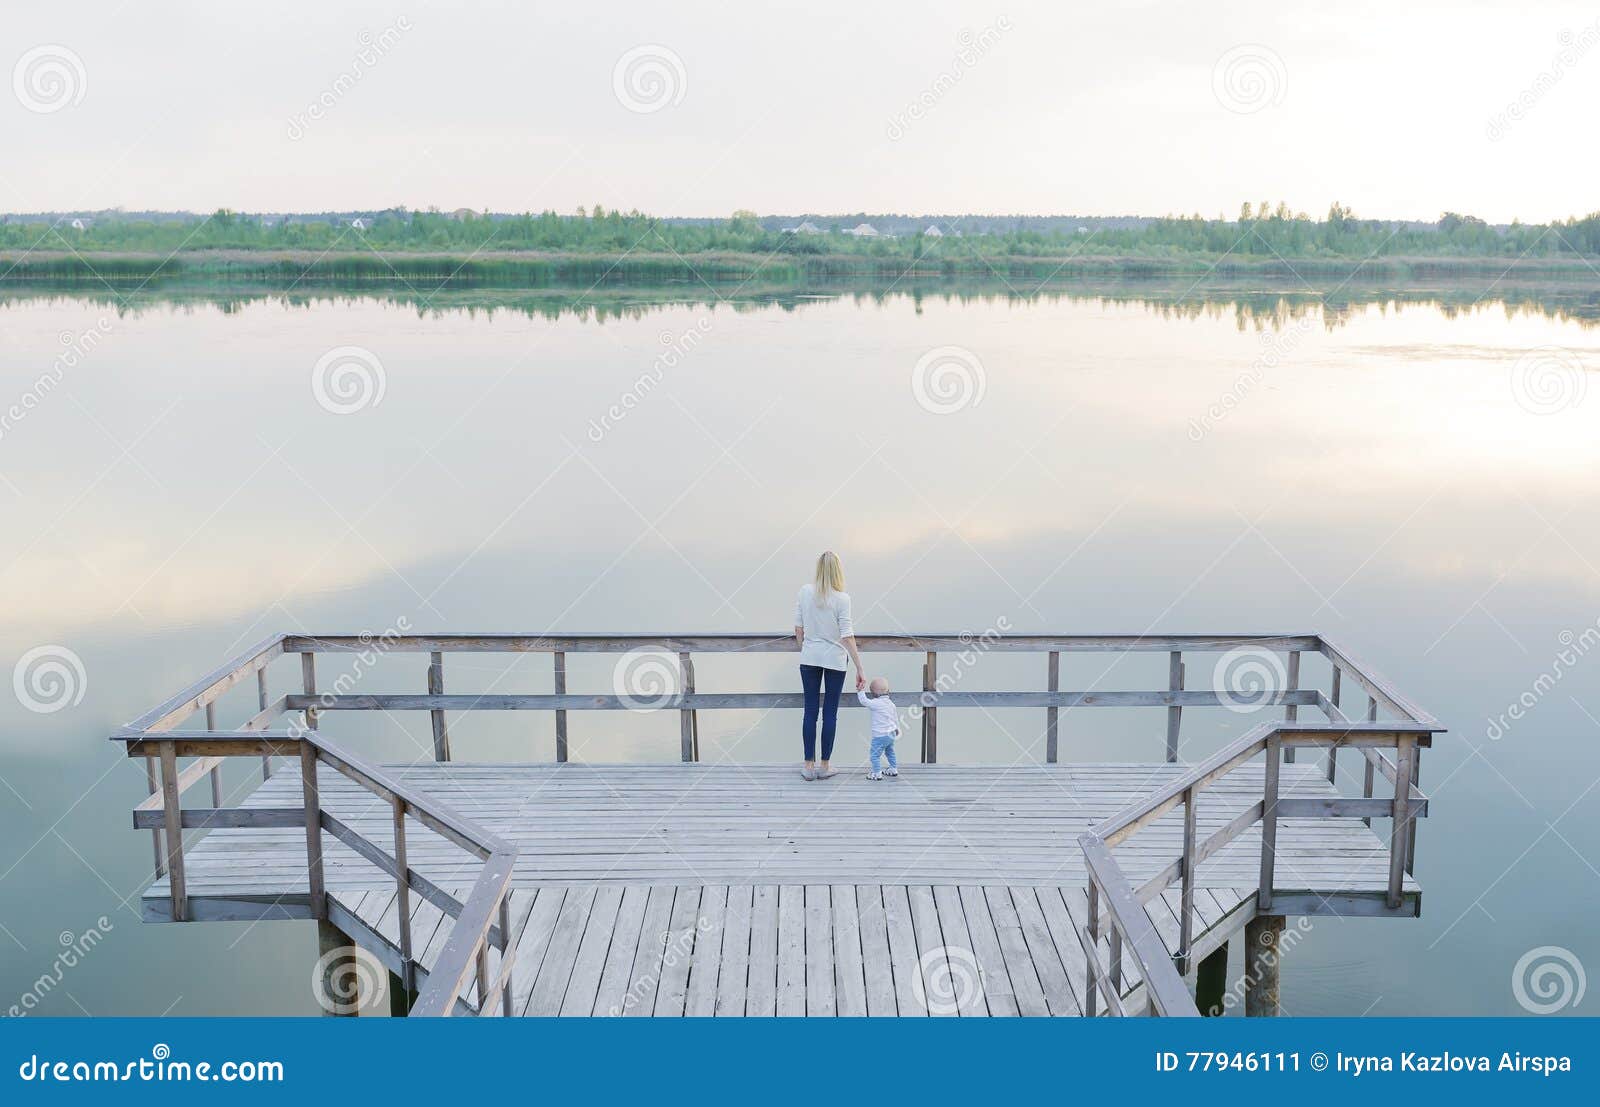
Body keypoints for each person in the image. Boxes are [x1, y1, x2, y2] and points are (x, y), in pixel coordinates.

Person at [794, 551, 866, 780]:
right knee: (830, 713)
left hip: (809, 658)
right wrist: (860, 668)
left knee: (810, 711)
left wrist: (805, 648)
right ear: (838, 571)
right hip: (835, 659)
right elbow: (847, 636)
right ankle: (825, 766)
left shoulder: (805, 592)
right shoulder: (842, 599)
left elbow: (798, 629)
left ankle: (808, 766)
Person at [857, 676, 899, 780]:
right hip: (891, 734)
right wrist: (897, 728)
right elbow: (895, 718)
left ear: (873, 694)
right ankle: (893, 768)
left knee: (874, 755)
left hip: (880, 736)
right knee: (890, 751)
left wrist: (860, 690)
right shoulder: (891, 704)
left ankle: (876, 773)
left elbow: (863, 701)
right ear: (888, 691)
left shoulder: (875, 703)